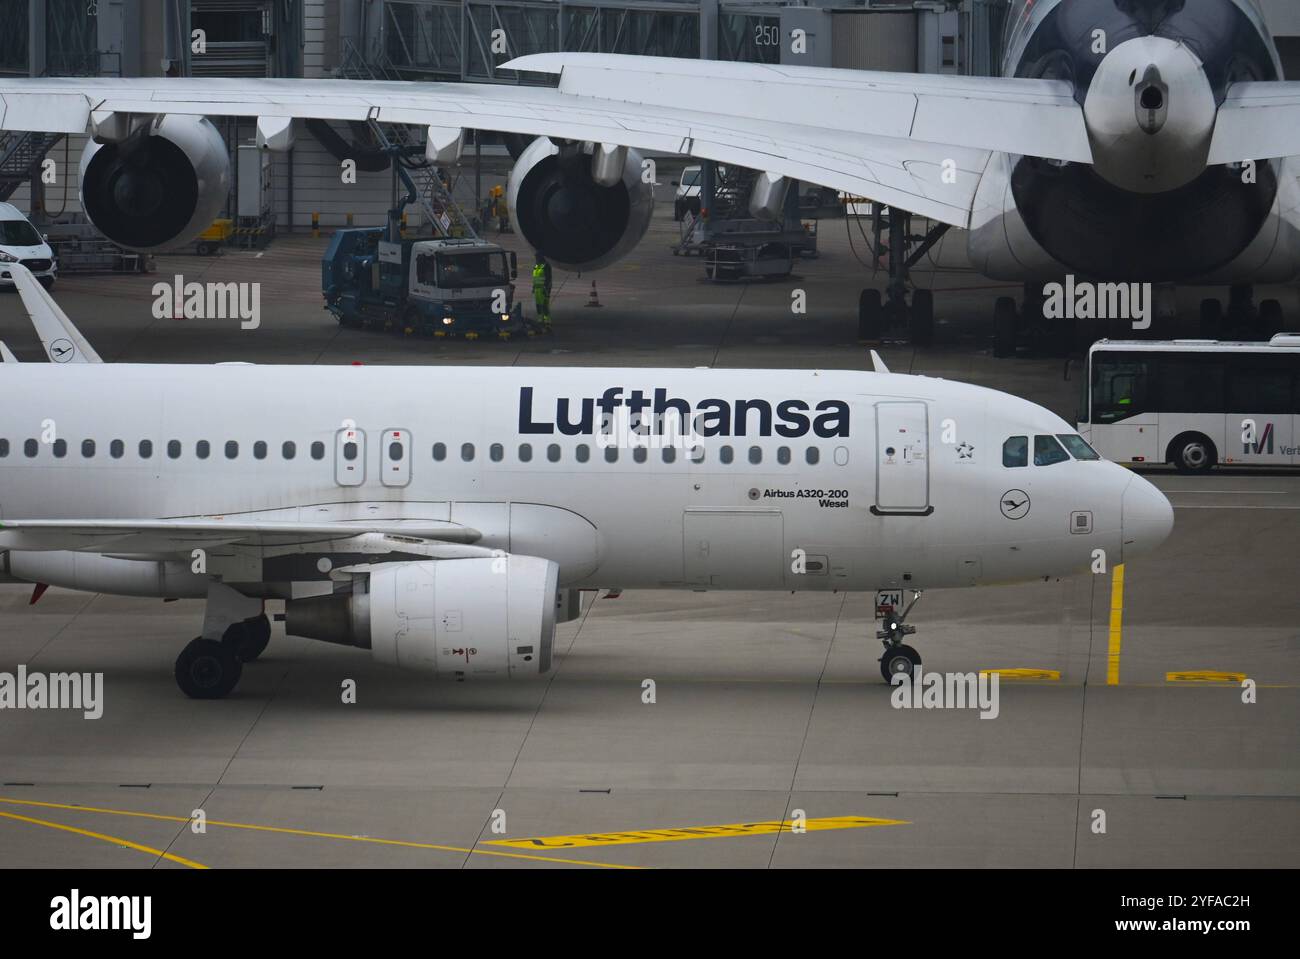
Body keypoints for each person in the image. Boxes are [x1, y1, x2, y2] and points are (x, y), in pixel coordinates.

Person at [532, 254, 553, 331]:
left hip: (544, 289)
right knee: (538, 305)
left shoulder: (546, 266)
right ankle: (540, 319)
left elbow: (548, 279)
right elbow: (535, 278)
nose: (536, 259)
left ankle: (547, 321)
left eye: (537, 257)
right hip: (537, 289)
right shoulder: (536, 266)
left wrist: (547, 289)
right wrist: (533, 287)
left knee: (544, 305)